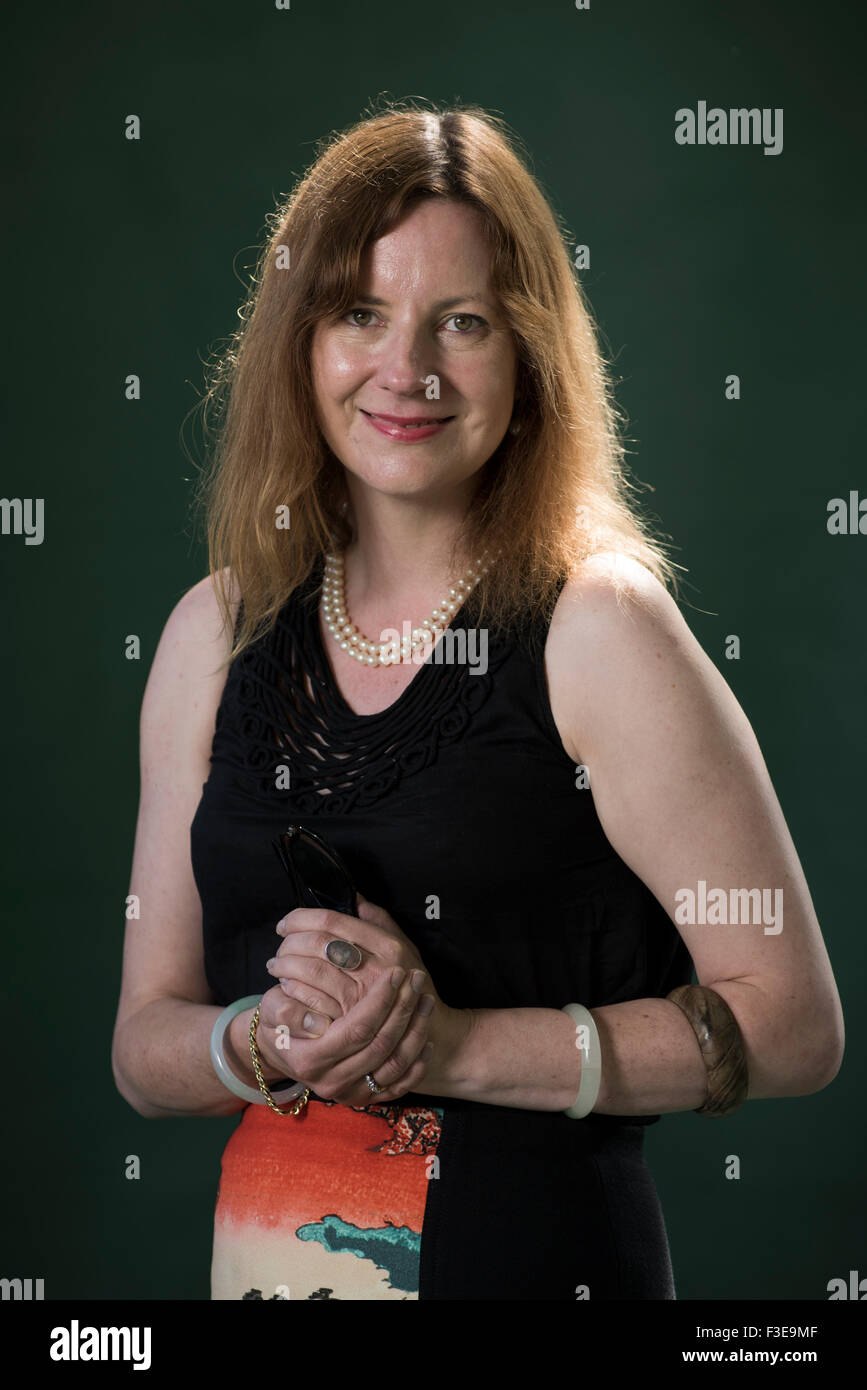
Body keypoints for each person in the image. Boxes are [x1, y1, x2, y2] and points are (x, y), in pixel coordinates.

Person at [112, 101, 844, 1301]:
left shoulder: (598, 625)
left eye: (463, 323)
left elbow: (798, 1028)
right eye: (361, 314)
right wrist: (264, 1040)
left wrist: (444, 1044)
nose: (406, 371)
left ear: (530, 354)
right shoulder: (214, 632)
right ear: (302, 339)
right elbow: (145, 1045)